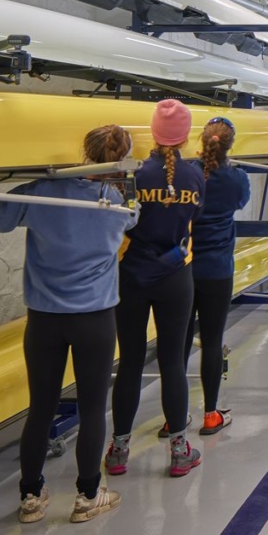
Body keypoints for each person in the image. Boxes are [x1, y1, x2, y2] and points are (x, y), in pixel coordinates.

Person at [0, 125, 136, 524]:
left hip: (45, 320)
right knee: (93, 408)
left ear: (84, 152)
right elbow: (133, 220)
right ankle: (88, 496)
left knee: (41, 408)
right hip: (95, 319)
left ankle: (30, 496)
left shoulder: (43, 191)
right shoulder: (116, 201)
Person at [107, 100, 206, 478]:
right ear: (184, 137)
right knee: (172, 363)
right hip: (175, 276)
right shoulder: (194, 177)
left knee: (130, 363)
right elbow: (194, 218)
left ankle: (119, 449)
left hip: (131, 276)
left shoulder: (133, 175)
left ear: (153, 133)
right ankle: (180, 450)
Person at [188, 117, 252, 436]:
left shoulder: (186, 174)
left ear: (201, 141)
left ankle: (174, 418)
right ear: (230, 145)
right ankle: (210, 414)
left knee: (178, 344)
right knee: (212, 342)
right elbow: (240, 202)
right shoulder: (237, 179)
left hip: (183, 269)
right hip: (217, 270)